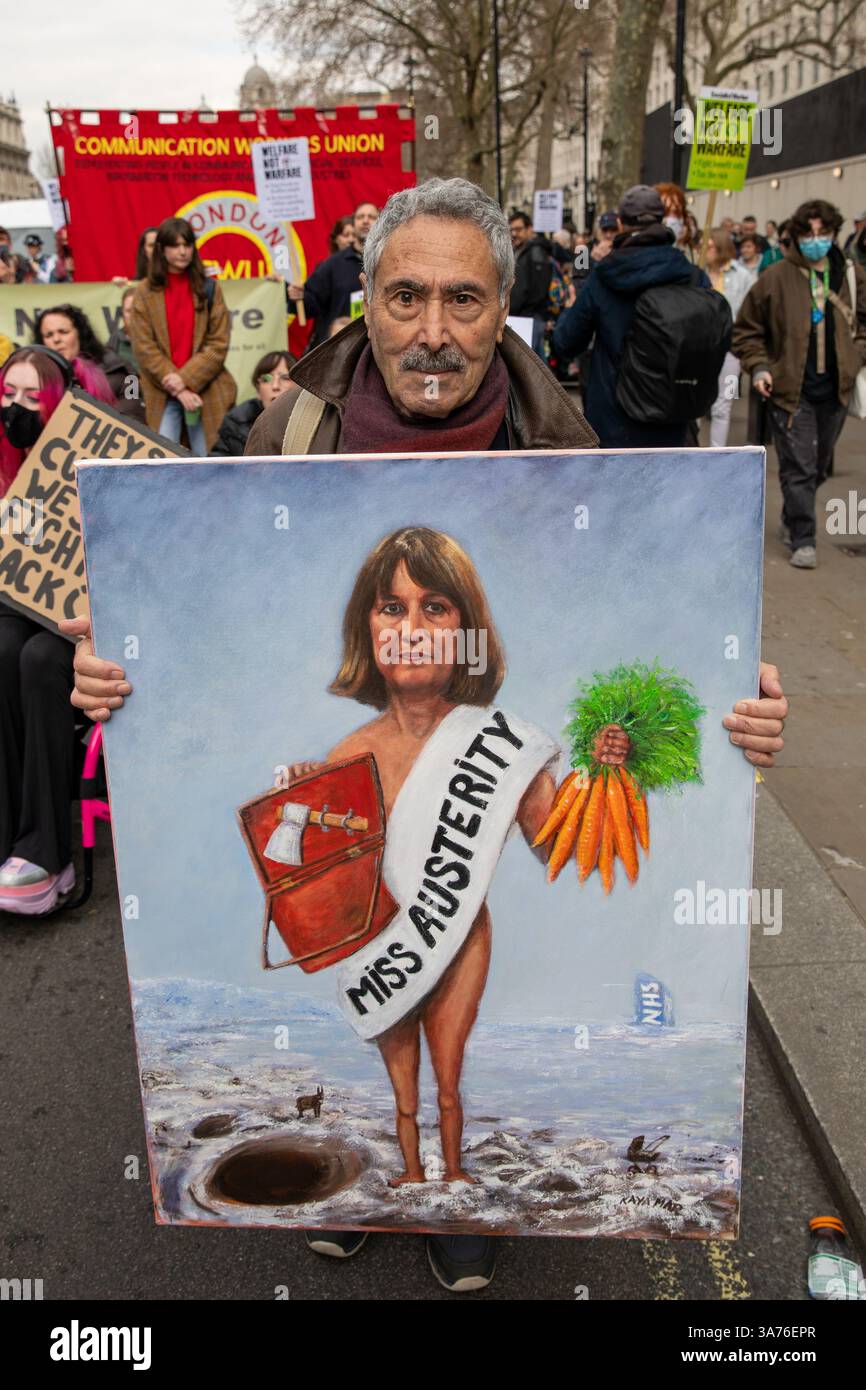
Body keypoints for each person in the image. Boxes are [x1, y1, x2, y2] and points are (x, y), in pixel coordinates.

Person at [66, 174, 790, 1291]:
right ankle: (373, 1181)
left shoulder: (578, 460)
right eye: (405, 298)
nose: (434, 332)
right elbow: (189, 641)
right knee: (383, 1060)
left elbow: (580, 822)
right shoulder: (280, 433)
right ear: (364, 301)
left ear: (503, 306)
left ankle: (449, 1190)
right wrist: (122, 673)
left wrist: (720, 715)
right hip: (370, 925)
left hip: (461, 930)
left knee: (449, 1063)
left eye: (463, 301)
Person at [0, 346, 118, 913]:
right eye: (8, 395)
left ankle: (48, 855)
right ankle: (10, 842)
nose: (17, 408)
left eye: (32, 397)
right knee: (2, 649)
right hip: (14, 612)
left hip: (79, 620)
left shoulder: (92, 458)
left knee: (42, 660)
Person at [732, 198, 866, 569]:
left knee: (819, 466)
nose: (816, 240)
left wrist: (856, 355)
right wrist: (760, 366)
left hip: (836, 390)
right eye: (808, 233)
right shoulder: (776, 278)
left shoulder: (850, 275)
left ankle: (794, 513)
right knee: (798, 468)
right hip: (791, 392)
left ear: (834, 233)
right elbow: (746, 330)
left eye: (823, 233)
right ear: (796, 235)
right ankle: (803, 538)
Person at [553, 184, 715, 447]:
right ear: (661, 220)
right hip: (674, 422)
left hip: (613, 426)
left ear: (620, 223)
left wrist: (573, 305)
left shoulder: (604, 278)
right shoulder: (693, 276)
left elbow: (565, 342)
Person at [128, 217, 235, 453]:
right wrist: (178, 387)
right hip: (162, 390)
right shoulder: (144, 292)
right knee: (164, 465)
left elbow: (218, 345)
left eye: (187, 245)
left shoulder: (209, 288)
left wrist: (185, 379)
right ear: (161, 249)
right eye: (175, 246)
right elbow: (144, 348)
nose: (183, 252)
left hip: (206, 388)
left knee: (209, 465)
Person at [288, 202, 379, 348]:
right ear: (354, 224)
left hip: (376, 347)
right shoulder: (333, 264)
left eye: (371, 217)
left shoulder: (387, 261)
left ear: (380, 222)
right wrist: (297, 296)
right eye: (360, 217)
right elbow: (310, 305)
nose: (365, 220)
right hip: (340, 349)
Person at [34, 303, 145, 421]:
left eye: (63, 332)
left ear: (80, 334)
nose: (56, 339)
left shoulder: (125, 373)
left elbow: (134, 415)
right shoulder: (33, 378)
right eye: (49, 335)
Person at [703, 229, 753, 446]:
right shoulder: (698, 273)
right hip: (700, 349)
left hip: (731, 352)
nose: (706, 250)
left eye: (711, 246)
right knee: (695, 402)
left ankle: (717, 454)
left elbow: (751, 314)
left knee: (724, 404)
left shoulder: (743, 275)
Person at [211, 350, 296, 456]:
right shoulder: (236, 423)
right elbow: (218, 466)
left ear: (299, 388)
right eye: (266, 378)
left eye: (285, 378)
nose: (275, 386)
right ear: (257, 391)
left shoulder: (314, 421)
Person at [508, 210, 552, 357]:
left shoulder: (535, 252)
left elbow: (539, 289)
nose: (514, 233)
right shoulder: (518, 251)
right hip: (524, 318)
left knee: (531, 364)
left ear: (529, 229)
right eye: (511, 229)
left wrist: (520, 308)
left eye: (518, 229)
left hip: (530, 318)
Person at [107, 286, 140, 374]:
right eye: (129, 311)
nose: (133, 315)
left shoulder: (157, 340)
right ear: (122, 313)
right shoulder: (115, 339)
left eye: (137, 310)